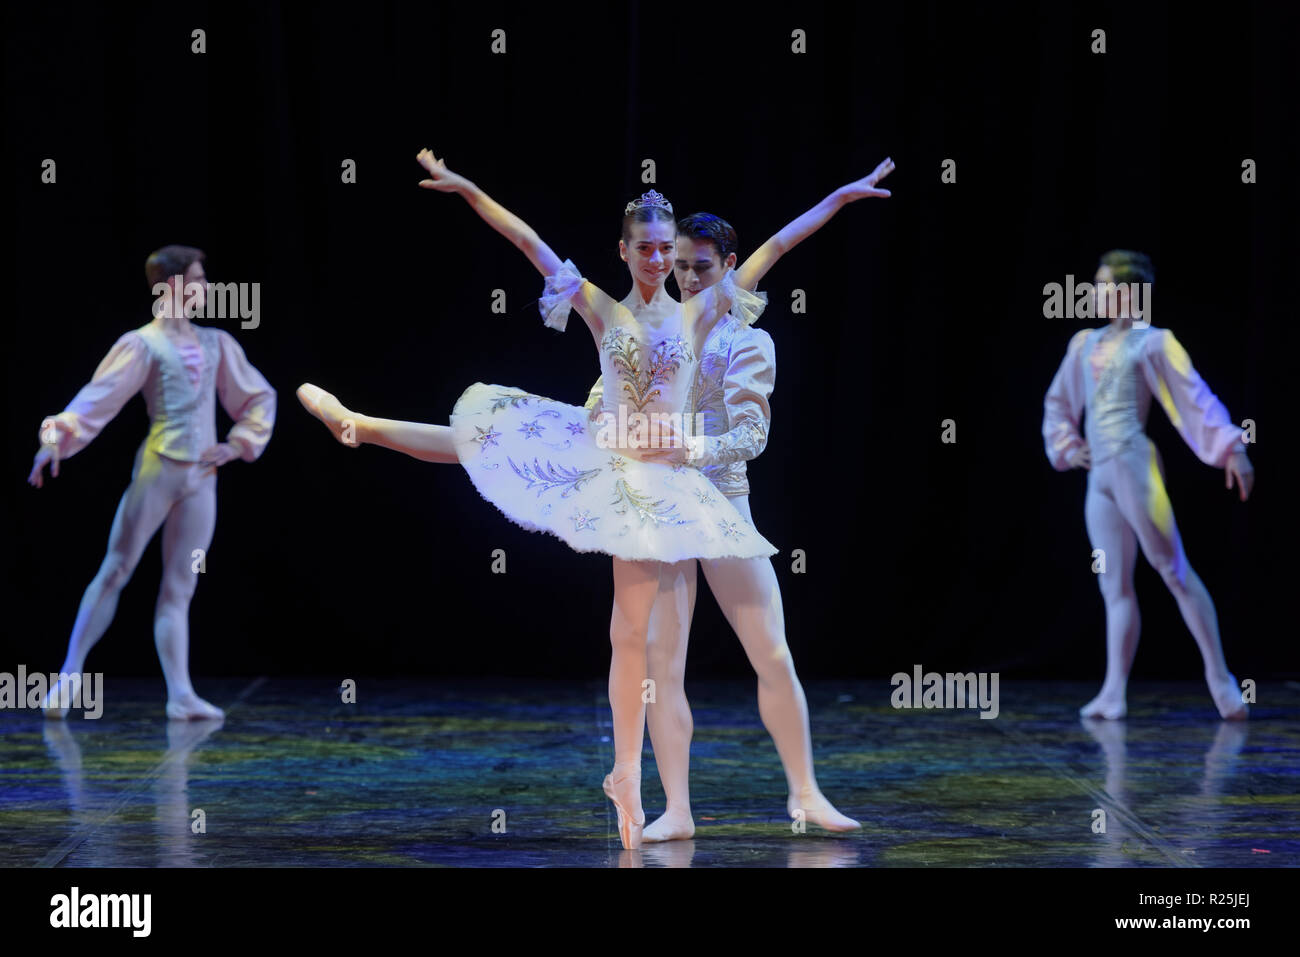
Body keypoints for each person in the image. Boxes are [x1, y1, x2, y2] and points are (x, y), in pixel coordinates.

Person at [298, 149, 889, 846]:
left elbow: (775, 247)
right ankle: (359, 424)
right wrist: (467, 190)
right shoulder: (602, 307)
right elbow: (528, 243)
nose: (663, 259)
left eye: (670, 250)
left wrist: (840, 199)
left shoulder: (702, 311)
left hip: (699, 491)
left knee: (768, 649)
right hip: (634, 477)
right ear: (625, 249)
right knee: (492, 443)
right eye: (649, 248)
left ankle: (806, 791)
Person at [580, 205, 895, 840]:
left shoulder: (747, 340)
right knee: (662, 665)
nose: (687, 278)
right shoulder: (655, 328)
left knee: (770, 652)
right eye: (681, 266)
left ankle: (805, 792)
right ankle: (678, 809)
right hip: (662, 511)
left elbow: (751, 434)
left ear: (728, 268)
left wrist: (688, 446)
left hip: (721, 505)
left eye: (701, 268)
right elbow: (604, 399)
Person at [28, 245, 276, 720]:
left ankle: (180, 694)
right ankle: (69, 675)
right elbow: (95, 399)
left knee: (181, 586)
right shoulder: (143, 344)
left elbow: (259, 396)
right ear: (174, 285)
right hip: (159, 468)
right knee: (117, 567)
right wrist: (53, 438)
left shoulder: (216, 343)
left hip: (202, 476)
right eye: (199, 279)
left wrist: (238, 443)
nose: (206, 288)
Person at [1042, 250, 1252, 721]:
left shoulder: (1155, 342)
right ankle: (1113, 691)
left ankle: (1220, 678)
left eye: (1101, 284)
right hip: (1100, 479)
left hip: (1135, 468)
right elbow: (1058, 402)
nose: (1093, 293)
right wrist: (1067, 445)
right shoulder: (1083, 344)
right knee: (1113, 585)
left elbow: (1194, 395)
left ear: (1127, 291)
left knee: (1173, 570)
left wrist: (1231, 447)